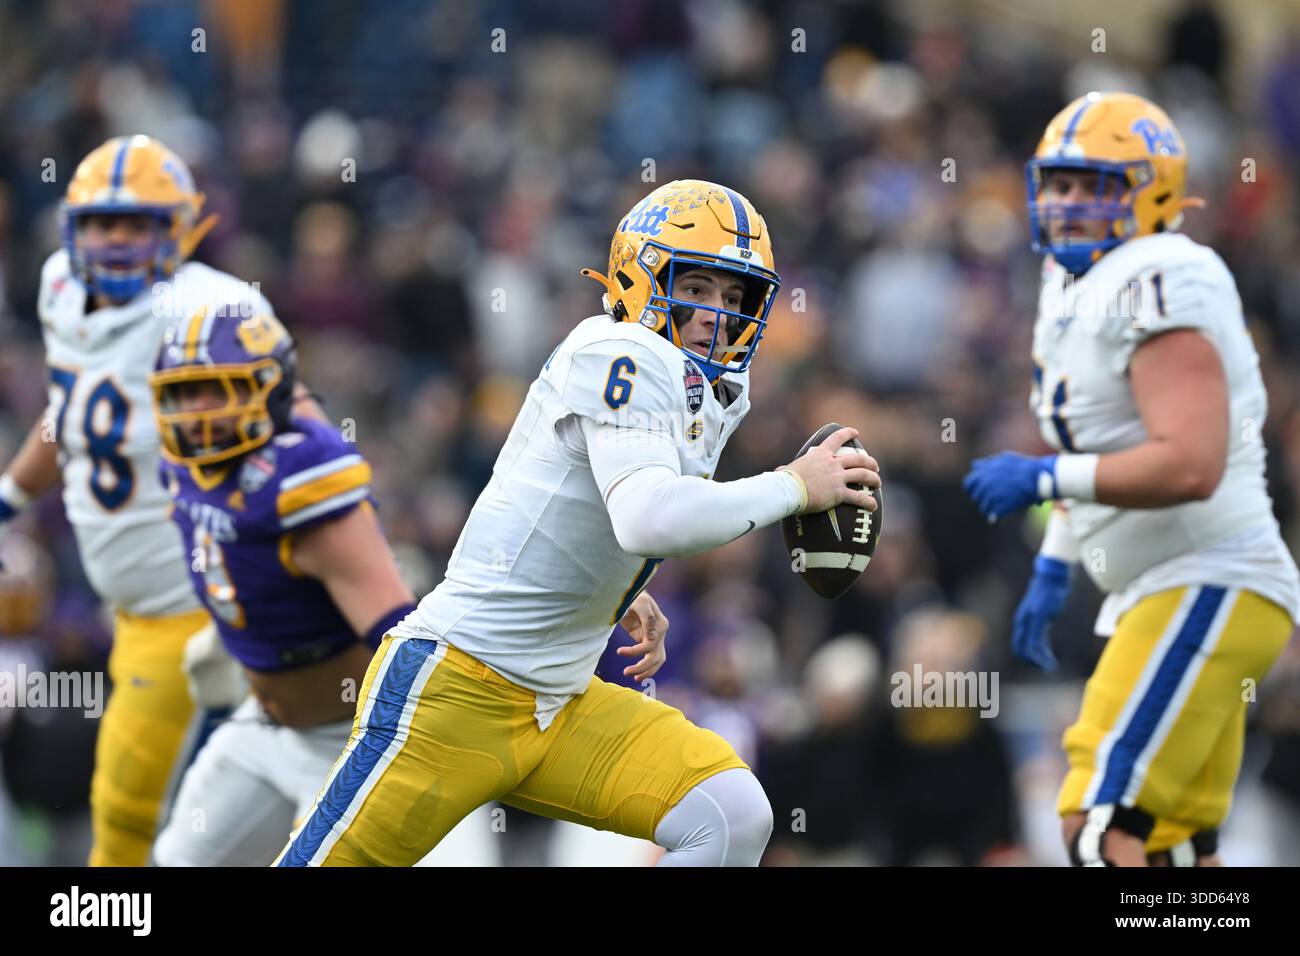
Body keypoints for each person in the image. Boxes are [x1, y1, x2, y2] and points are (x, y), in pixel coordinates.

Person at [276, 179, 881, 867]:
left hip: (557, 701)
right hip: (455, 690)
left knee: (731, 814)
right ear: (640, 276)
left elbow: (574, 501)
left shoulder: (698, 385)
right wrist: (794, 487)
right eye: (699, 288)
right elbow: (648, 518)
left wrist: (619, 588)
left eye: (734, 296)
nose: (718, 314)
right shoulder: (620, 352)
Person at [963, 92, 1300, 866]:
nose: (1070, 203)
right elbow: (1105, 448)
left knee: (1099, 819)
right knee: (1169, 850)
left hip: (1208, 577)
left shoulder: (1162, 272)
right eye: (1060, 183)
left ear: (1152, 191)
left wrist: (1044, 479)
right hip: (1175, 588)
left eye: (1096, 184)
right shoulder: (1069, 284)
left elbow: (1189, 461)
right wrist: (1053, 567)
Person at [145, 309, 422, 865]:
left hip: (348, 743)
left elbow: (403, 640)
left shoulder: (306, 492)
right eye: (185, 394)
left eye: (216, 392)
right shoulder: (182, 466)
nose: (197, 415)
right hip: (262, 725)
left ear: (267, 392)